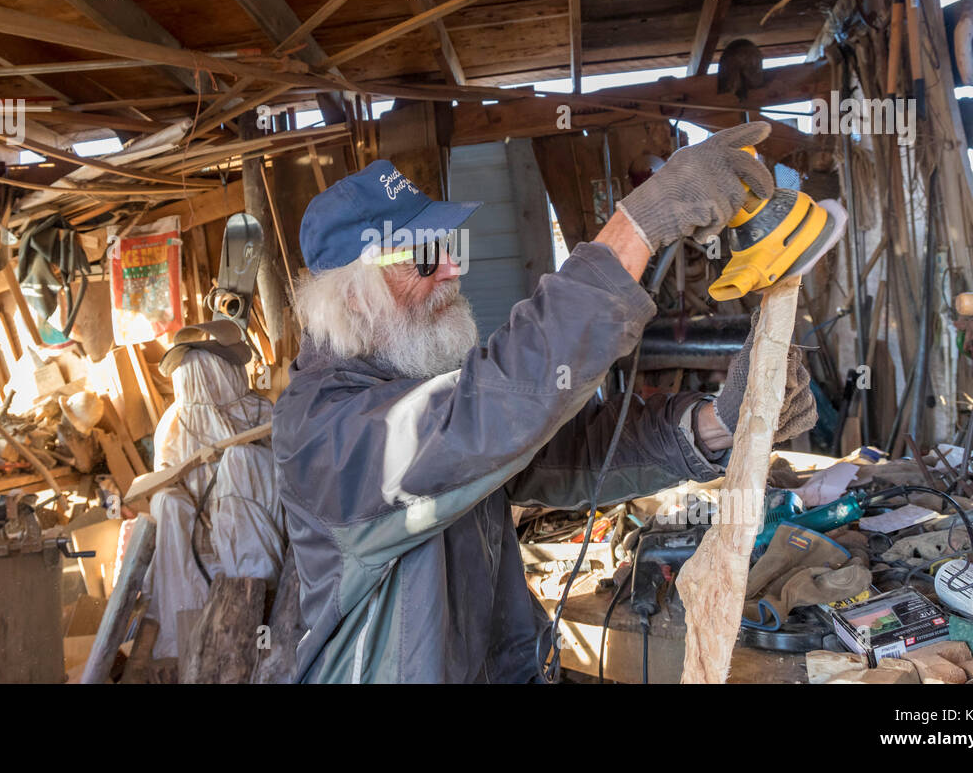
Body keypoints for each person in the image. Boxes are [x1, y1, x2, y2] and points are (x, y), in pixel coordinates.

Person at [273, 122, 818, 683]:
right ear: (356, 298)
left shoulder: (415, 388)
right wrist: (638, 226)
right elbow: (488, 415)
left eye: (450, 248)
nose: (455, 268)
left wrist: (716, 425)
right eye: (427, 257)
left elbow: (564, 448)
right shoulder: (322, 432)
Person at [144, 321, 283, 663]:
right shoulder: (175, 420)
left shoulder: (259, 410)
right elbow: (164, 474)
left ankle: (255, 605)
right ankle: (179, 642)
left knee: (242, 461)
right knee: (166, 502)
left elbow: (281, 472)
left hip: (247, 531)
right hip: (196, 529)